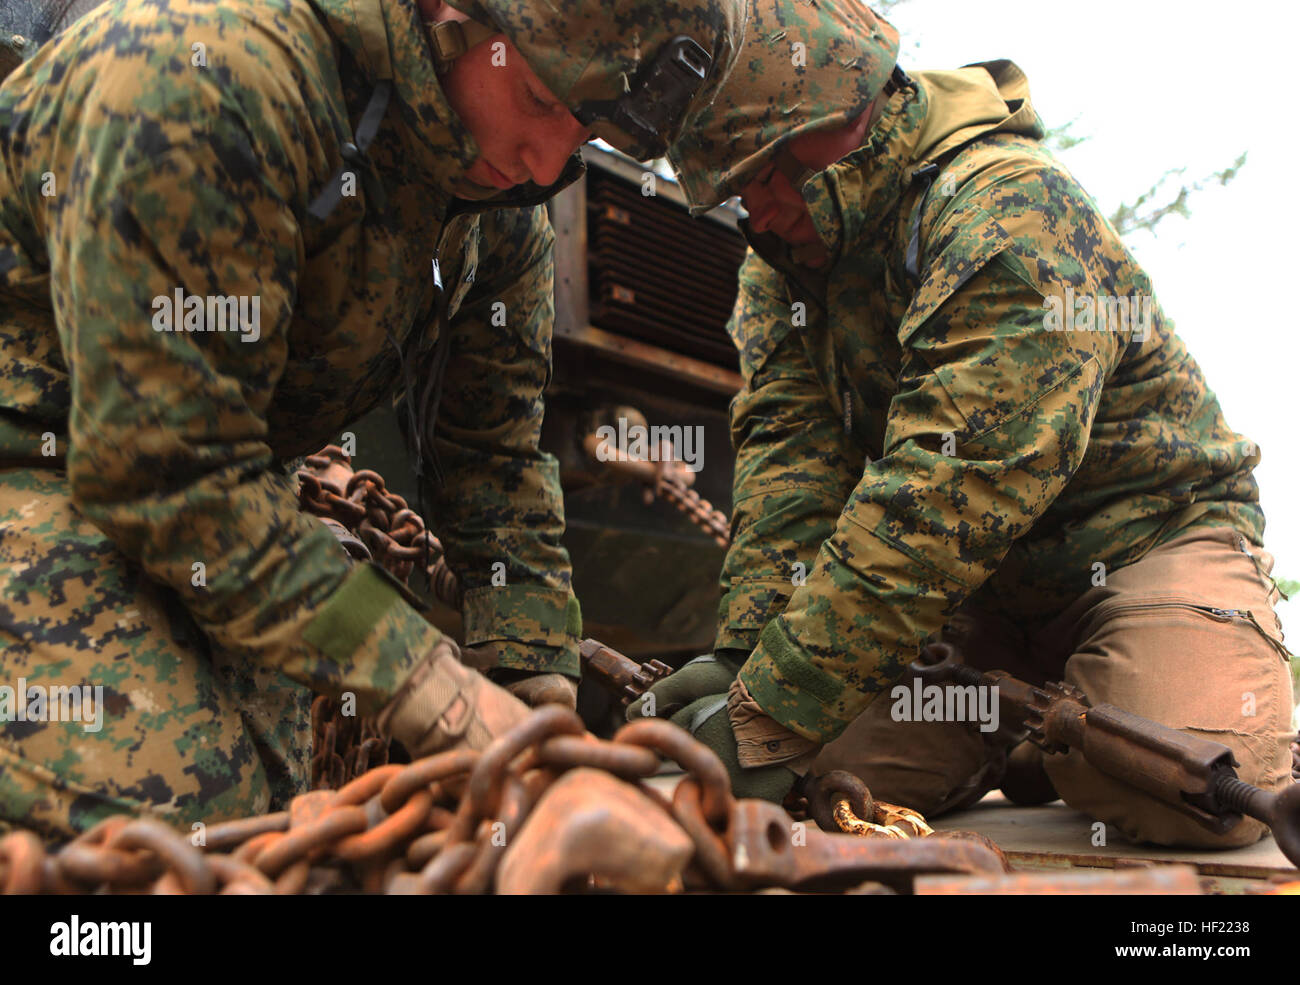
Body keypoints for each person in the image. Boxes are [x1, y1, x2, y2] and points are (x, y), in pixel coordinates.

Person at [0, 0, 742, 842]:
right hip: (40, 453)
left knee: (270, 816)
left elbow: (492, 449)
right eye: (537, 99)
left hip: (216, 492)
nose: (547, 159)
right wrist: (425, 683)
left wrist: (535, 677)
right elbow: (167, 468)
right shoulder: (209, 76)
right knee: (172, 809)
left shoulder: (498, 202)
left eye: (585, 130)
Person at [637, 0, 1295, 849]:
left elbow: (955, 485)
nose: (756, 212)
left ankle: (1047, 734)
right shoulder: (788, 268)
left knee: (1194, 790)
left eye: (766, 173)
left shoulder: (1011, 211)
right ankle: (1014, 728)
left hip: (1145, 542)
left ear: (850, 112)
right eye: (733, 190)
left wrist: (777, 705)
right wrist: (752, 656)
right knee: (813, 766)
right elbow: (789, 465)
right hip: (974, 602)